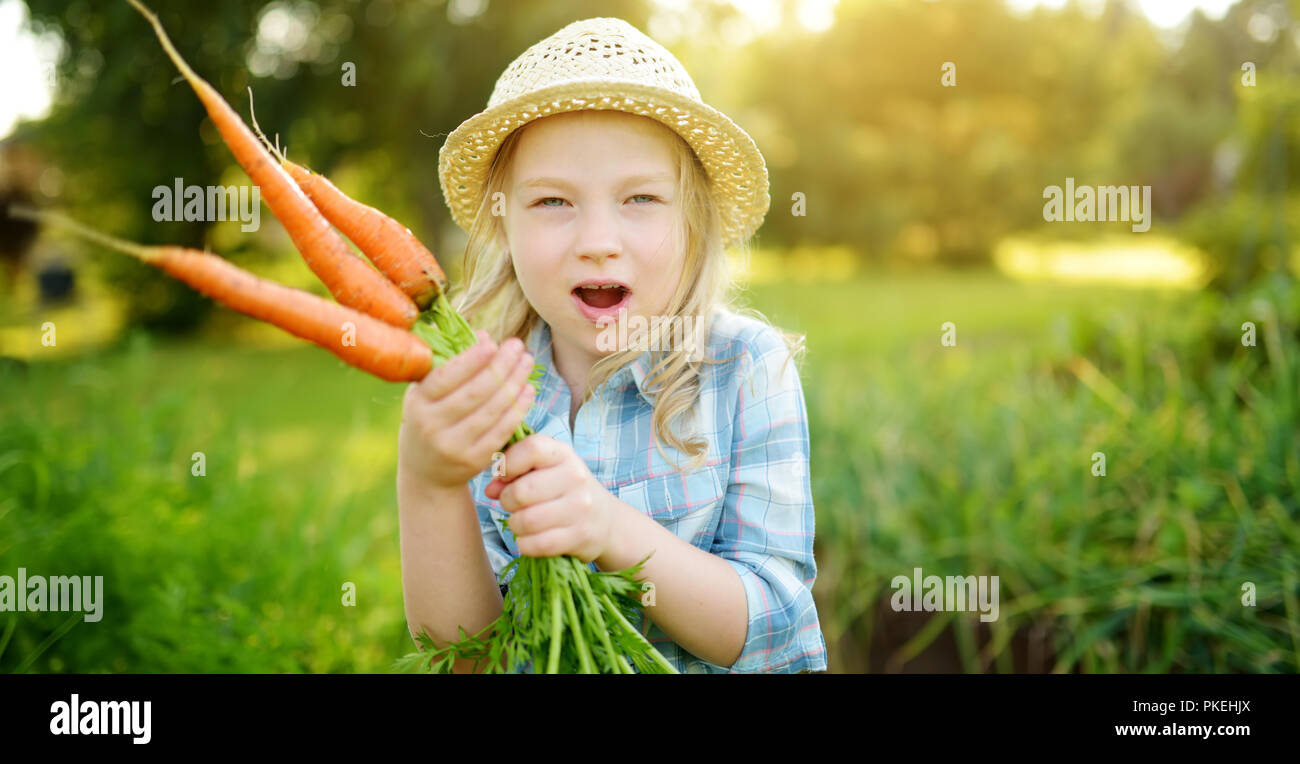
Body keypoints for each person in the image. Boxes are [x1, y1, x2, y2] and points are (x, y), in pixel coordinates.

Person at [397, 17, 826, 673]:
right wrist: (429, 483)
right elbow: (465, 656)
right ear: (503, 220)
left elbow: (777, 632)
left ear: (693, 219)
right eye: (552, 202)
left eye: (641, 198)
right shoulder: (485, 390)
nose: (598, 238)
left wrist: (609, 529)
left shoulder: (746, 369)